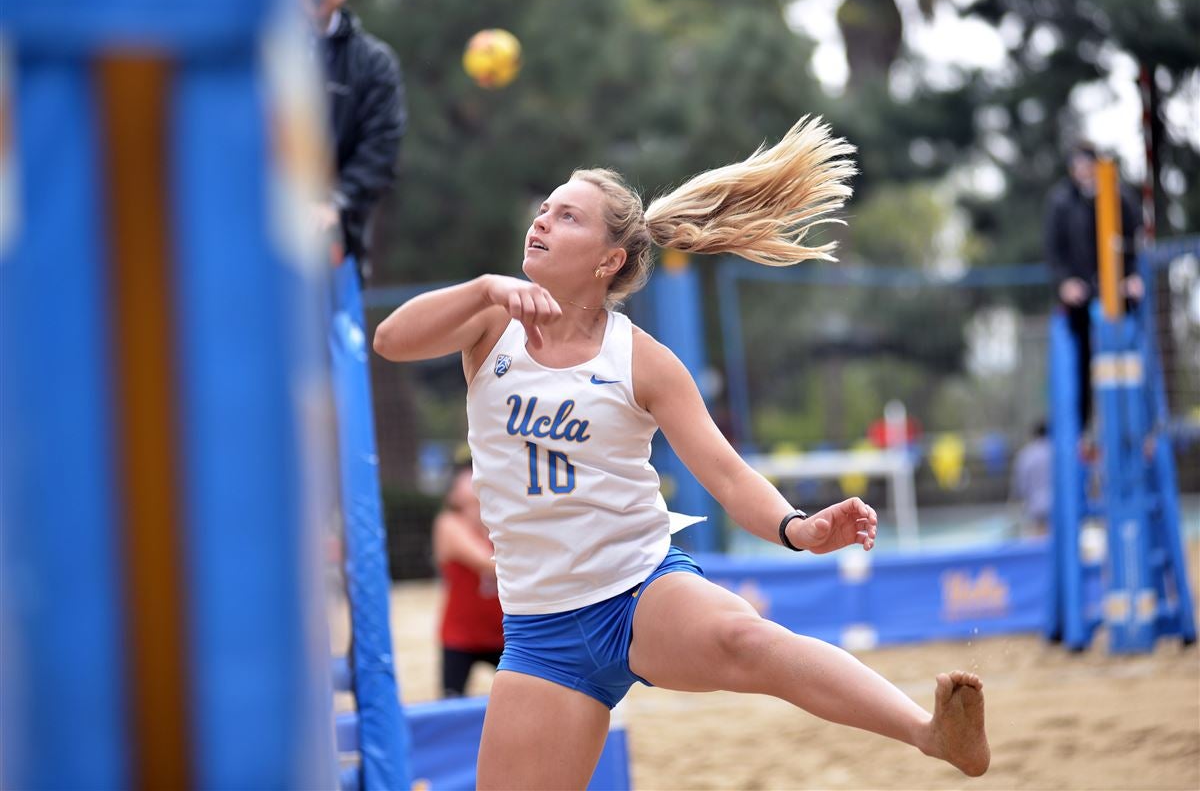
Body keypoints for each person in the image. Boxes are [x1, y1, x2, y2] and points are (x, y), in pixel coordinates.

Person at [374, 117, 990, 788]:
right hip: (540, 631)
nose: (542, 221)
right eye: (544, 209)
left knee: (747, 639)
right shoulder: (492, 324)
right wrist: (484, 287)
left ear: (609, 260)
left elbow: (726, 473)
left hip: (638, 591)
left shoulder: (641, 359)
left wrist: (797, 528)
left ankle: (928, 732)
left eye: (567, 215)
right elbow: (390, 340)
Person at [305, 0, 406, 279]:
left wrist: (334, 203)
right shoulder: (251, 54)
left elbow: (381, 151)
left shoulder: (374, 63)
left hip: (337, 251)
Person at [1044, 141, 1143, 431]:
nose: (1084, 172)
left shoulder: (1119, 196)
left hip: (1118, 296)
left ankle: (1131, 426)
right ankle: (1085, 428)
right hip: (1081, 299)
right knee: (1081, 363)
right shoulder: (1060, 202)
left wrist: (1132, 276)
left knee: (1126, 358)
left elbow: (1135, 241)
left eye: (1088, 165)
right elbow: (1054, 250)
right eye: (1078, 167)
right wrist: (1065, 283)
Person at [433, 459, 505, 698]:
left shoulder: (502, 523)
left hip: (503, 632)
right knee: (451, 703)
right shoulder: (449, 524)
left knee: (526, 699)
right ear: (453, 494)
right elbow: (487, 562)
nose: (473, 479)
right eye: (466, 476)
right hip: (461, 636)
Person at [1010, 420, 1051, 538]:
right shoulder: (1059, 452)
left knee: (1039, 540)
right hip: (1058, 506)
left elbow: (1021, 486)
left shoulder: (1026, 455)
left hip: (1035, 507)